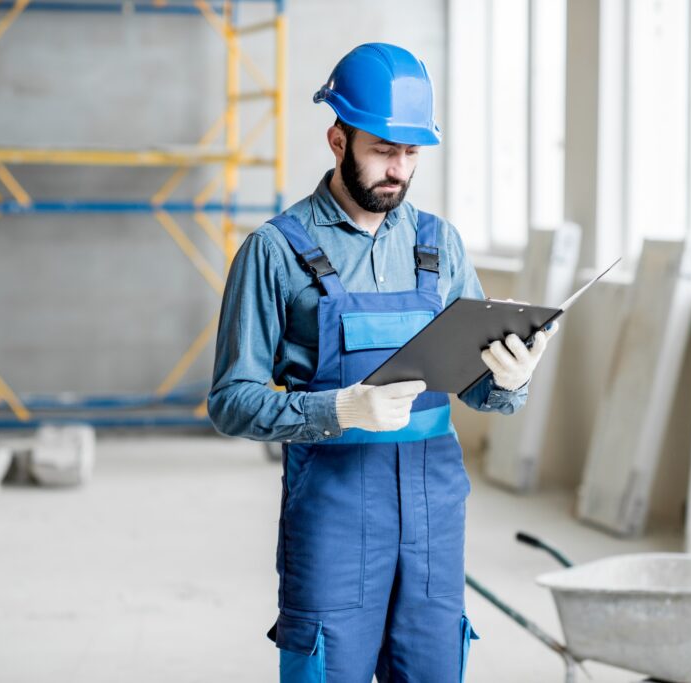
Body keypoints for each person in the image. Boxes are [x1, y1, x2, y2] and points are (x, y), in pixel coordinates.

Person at [208, 42, 557, 683]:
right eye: (383, 151)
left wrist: (511, 380)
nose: (398, 170)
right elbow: (231, 400)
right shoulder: (274, 252)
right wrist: (341, 408)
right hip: (335, 513)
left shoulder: (439, 244)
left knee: (432, 667)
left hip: (434, 509)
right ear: (338, 139)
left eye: (411, 154)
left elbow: (475, 386)